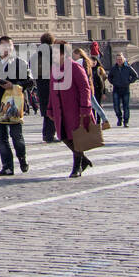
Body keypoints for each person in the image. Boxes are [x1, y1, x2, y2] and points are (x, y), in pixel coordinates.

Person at [46, 40, 95, 177]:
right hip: (59, 109)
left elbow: (85, 88)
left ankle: (77, 166)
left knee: (75, 137)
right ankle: (83, 160)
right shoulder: (54, 69)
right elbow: (52, 89)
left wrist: (85, 107)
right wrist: (50, 108)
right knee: (63, 136)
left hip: (73, 108)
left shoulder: (75, 67)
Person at [0, 36, 31, 175]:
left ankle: (22, 159)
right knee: (2, 137)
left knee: (16, 136)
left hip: (14, 102)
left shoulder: (20, 63)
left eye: (9, 46)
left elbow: (30, 82)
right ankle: (7, 166)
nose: (7, 49)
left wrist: (14, 85)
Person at [32, 31, 58, 143]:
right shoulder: (53, 52)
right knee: (53, 110)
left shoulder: (35, 54)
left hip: (40, 85)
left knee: (46, 110)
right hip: (52, 84)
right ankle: (50, 135)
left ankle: (46, 134)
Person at [74, 47, 108, 127]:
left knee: (92, 106)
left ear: (78, 54)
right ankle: (104, 120)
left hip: (85, 87)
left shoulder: (80, 61)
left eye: (74, 55)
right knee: (94, 106)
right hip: (89, 86)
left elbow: (82, 75)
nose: (74, 57)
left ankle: (102, 121)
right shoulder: (87, 61)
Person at [107, 52, 138, 127]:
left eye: (120, 59)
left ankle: (126, 121)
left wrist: (129, 82)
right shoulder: (114, 68)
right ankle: (119, 118)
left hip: (125, 89)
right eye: (118, 59)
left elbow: (135, 75)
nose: (119, 61)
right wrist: (113, 82)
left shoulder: (128, 67)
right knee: (116, 106)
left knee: (126, 106)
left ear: (123, 59)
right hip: (116, 89)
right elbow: (109, 77)